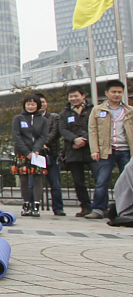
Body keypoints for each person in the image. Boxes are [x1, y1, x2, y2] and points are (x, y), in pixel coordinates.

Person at [86, 79, 133, 219]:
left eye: (120, 92)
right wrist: (95, 150)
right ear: (107, 93)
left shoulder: (129, 111)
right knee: (102, 181)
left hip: (126, 150)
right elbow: (92, 131)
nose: (117, 94)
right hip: (107, 150)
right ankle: (98, 209)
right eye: (114, 92)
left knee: (128, 181)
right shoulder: (98, 110)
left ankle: (126, 209)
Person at [59, 86, 96, 216]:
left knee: (99, 178)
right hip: (73, 151)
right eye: (71, 96)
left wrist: (84, 139)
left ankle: (100, 206)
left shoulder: (93, 110)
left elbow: (96, 127)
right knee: (78, 182)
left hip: (91, 150)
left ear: (83, 96)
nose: (73, 98)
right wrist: (74, 139)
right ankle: (85, 207)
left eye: (76, 96)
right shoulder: (64, 113)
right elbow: (63, 130)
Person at [12, 94, 49, 217]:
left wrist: (36, 149)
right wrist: (26, 152)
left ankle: (37, 205)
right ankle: (26, 204)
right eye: (28, 104)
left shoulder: (43, 120)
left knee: (38, 178)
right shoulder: (18, 118)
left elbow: (43, 136)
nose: (30, 106)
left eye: (33, 104)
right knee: (23, 179)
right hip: (22, 153)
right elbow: (17, 136)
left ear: (38, 105)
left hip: (37, 153)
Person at [39, 94, 65, 216]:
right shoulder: (29, 119)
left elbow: (55, 132)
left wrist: (43, 143)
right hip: (35, 155)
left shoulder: (54, 117)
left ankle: (58, 208)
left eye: (43, 102)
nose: (41, 104)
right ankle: (32, 207)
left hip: (52, 154)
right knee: (33, 184)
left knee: (55, 184)